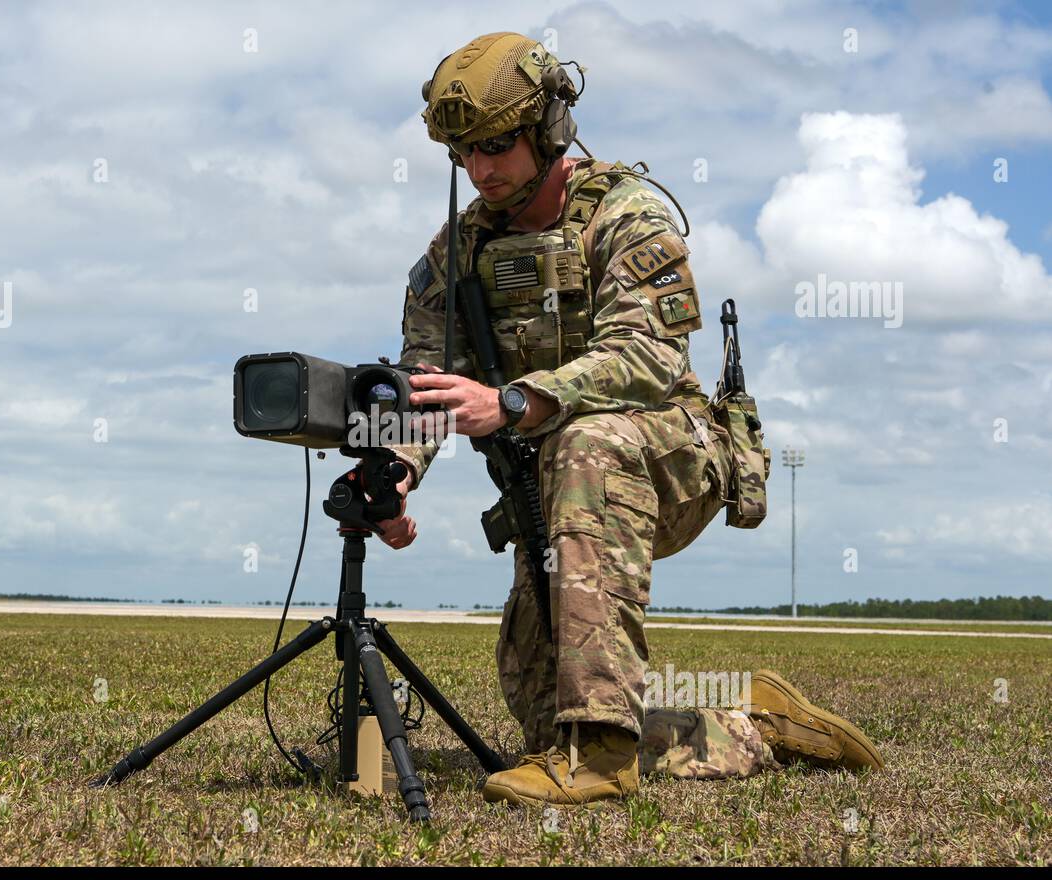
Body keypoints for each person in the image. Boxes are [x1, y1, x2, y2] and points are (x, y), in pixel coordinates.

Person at [373, 32, 883, 807]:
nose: (480, 171)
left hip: (663, 454)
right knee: (547, 717)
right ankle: (759, 727)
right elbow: (427, 379)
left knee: (587, 440)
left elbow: (644, 356)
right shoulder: (457, 251)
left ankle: (601, 761)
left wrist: (514, 401)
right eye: (463, 154)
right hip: (555, 488)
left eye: (497, 146)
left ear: (549, 128)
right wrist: (396, 470)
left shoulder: (627, 213)